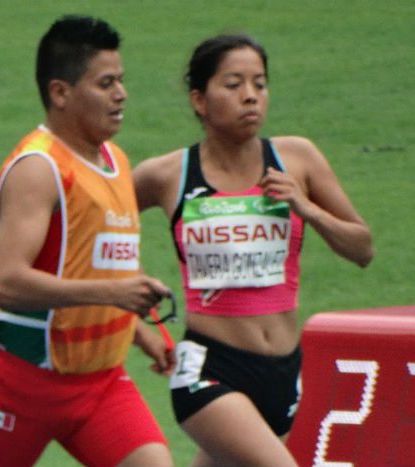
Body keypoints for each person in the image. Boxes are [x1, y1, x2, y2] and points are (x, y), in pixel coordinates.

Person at [132, 34, 374, 467]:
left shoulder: (297, 159)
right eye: (233, 84)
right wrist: (131, 311)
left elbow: (362, 248)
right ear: (200, 100)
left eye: (259, 84)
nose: (250, 97)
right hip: (208, 370)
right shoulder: (167, 174)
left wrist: (307, 209)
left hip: (282, 374)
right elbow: (93, 232)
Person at [0, 15, 175, 467]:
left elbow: (104, 261)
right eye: (105, 83)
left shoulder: (115, 160)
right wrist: (114, 294)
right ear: (60, 93)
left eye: (121, 80)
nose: (122, 94)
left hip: (100, 384)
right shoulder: (38, 170)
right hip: (24, 385)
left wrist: (142, 331)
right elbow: (8, 283)